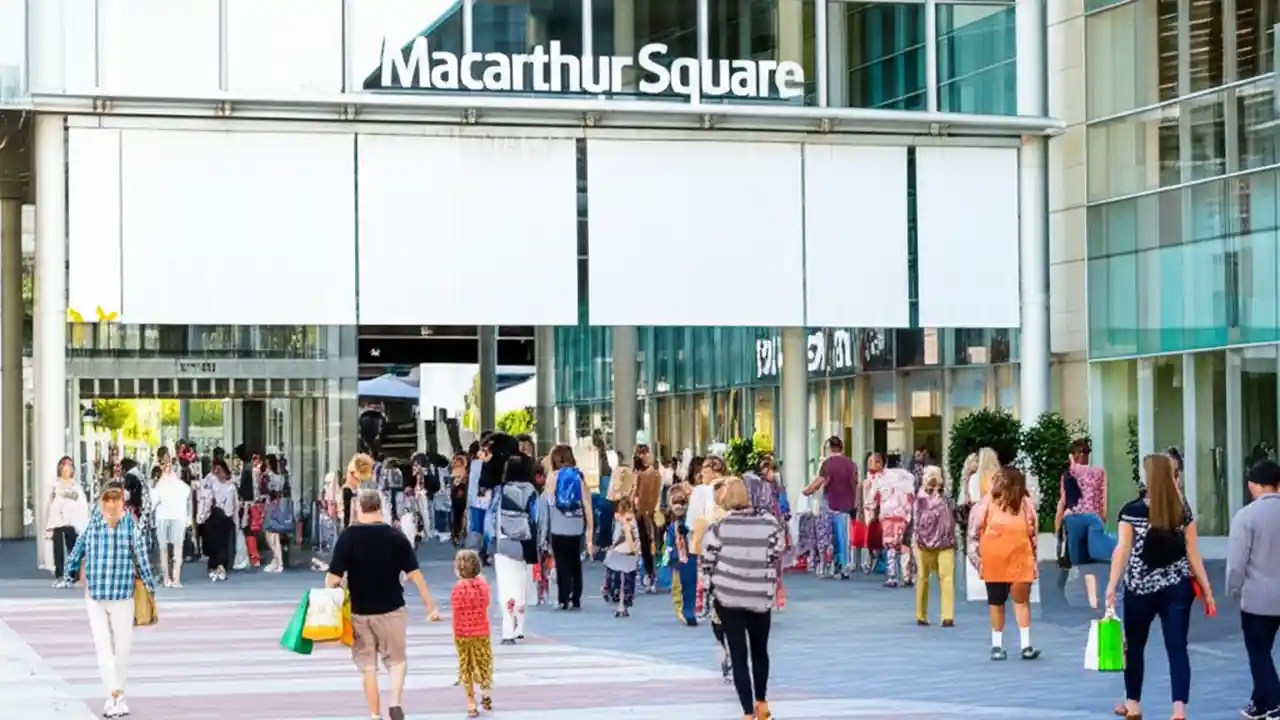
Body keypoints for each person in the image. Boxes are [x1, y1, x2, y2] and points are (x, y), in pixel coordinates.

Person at [1106, 454, 1215, 720]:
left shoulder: (1131, 510)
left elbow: (1122, 549)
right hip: (1177, 589)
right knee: (1177, 647)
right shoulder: (1182, 510)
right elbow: (1193, 553)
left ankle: (1133, 704)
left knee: (1134, 646)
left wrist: (1111, 584)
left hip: (1138, 590)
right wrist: (1207, 591)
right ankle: (1178, 709)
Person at [327, 489, 441, 720]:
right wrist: (429, 604)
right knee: (397, 661)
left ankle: (374, 714)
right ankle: (395, 702)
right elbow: (414, 574)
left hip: (360, 612)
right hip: (392, 609)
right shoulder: (395, 537)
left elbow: (333, 579)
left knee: (368, 666)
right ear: (381, 508)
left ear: (359, 508)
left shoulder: (348, 537)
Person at [63, 484, 158, 719]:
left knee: (123, 647)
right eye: (108, 500)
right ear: (101, 502)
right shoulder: (93, 523)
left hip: (122, 595)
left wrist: (149, 586)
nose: (112, 505)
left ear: (123, 504)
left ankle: (118, 694)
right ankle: (114, 694)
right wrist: (69, 571)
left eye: (117, 500)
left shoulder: (130, 526)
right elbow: (78, 548)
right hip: (95, 595)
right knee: (102, 645)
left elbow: (142, 556)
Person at [698, 477, 784, 720]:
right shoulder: (769, 522)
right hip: (759, 595)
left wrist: (709, 587)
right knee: (760, 651)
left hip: (728, 597)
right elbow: (778, 549)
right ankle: (762, 703)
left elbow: (707, 562)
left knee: (738, 655)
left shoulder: (719, 527)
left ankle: (747, 713)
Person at [968, 466, 1040, 661]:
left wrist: (977, 561)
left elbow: (973, 532)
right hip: (1020, 559)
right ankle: (1025, 644)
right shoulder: (1026, 505)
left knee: (997, 603)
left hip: (994, 561)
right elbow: (1033, 534)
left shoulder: (986, 504)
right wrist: (1033, 560)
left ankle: (997, 646)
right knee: (1021, 602)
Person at [1229, 460, 1280, 720]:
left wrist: (1233, 586)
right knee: (1262, 655)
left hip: (1258, 598)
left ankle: (1275, 701)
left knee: (1259, 653)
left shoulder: (1246, 516)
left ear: (1252, 485)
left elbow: (1237, 561)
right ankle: (1259, 702)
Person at [483, 433, 539, 644]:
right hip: (524, 544)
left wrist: (490, 543)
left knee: (505, 586)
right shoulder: (532, 492)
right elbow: (536, 520)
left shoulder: (501, 491)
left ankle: (507, 629)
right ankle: (520, 626)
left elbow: (491, 519)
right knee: (521, 585)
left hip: (503, 542)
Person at [1055, 439, 1115, 610]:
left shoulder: (1070, 473)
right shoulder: (1099, 473)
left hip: (1073, 518)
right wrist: (1103, 516)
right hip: (1093, 519)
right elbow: (1104, 498)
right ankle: (1093, 600)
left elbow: (1064, 500)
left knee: (1077, 560)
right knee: (1092, 561)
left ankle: (1078, 590)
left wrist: (1058, 524)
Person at [540, 444, 594, 610]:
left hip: (558, 525)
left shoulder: (553, 476)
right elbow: (587, 505)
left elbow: (549, 502)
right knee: (575, 561)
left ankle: (563, 597)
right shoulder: (579, 477)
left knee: (561, 561)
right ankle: (576, 596)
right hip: (576, 525)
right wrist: (590, 531)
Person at [801, 436, 860, 579]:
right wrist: (856, 503)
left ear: (829, 448)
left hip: (830, 505)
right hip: (846, 506)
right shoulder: (851, 464)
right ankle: (843, 566)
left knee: (828, 536)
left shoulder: (827, 464)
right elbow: (856, 484)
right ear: (842, 448)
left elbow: (819, 482)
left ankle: (830, 565)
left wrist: (806, 491)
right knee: (843, 537)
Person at [450, 549, 493, 717]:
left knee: (466, 666)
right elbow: (487, 603)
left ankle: (470, 704)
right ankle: (486, 690)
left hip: (462, 633)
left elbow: (456, 608)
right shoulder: (483, 585)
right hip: (481, 631)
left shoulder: (457, 588)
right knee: (484, 662)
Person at [914, 465, 956, 627]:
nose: (932, 479)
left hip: (945, 542)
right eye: (929, 476)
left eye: (935, 475)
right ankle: (921, 614)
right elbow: (917, 518)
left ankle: (948, 615)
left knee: (946, 578)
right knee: (923, 577)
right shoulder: (921, 497)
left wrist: (940, 490)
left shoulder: (946, 496)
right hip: (925, 543)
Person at [46, 455, 90, 589]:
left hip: (73, 523)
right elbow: (50, 503)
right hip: (58, 521)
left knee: (73, 548)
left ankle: (72, 574)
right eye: (64, 466)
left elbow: (81, 503)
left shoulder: (76, 486)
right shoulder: (55, 485)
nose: (67, 469)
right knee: (58, 549)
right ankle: (60, 574)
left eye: (69, 466)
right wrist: (48, 523)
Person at [964, 447, 1002, 601]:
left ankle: (987, 578)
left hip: (980, 517)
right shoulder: (1000, 477)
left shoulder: (976, 478)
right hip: (998, 516)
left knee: (981, 549)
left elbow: (972, 499)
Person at [152, 452, 192, 588]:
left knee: (164, 549)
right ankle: (176, 579)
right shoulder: (180, 485)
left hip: (163, 517)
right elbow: (187, 498)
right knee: (177, 549)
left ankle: (167, 579)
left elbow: (153, 502)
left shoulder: (160, 484)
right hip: (177, 517)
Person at [872, 463, 917, 588]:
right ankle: (907, 575)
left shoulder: (883, 479)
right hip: (903, 516)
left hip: (887, 515)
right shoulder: (907, 479)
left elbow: (875, 498)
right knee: (904, 545)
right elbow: (911, 498)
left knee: (890, 545)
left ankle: (892, 575)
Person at [666, 483, 698, 626]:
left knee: (690, 584)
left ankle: (689, 612)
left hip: (690, 555)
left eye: (682, 503)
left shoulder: (690, 520)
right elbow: (668, 542)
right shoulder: (670, 523)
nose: (679, 506)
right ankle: (681, 610)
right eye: (675, 503)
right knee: (677, 586)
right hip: (676, 559)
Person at [604, 496, 641, 617]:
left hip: (622, 551)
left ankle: (618, 600)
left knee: (618, 577)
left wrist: (612, 547)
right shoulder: (632, 520)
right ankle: (624, 603)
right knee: (627, 578)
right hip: (629, 552)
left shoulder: (621, 521)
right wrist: (637, 550)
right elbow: (636, 537)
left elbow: (617, 537)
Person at [634, 444, 663, 592]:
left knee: (651, 545)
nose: (644, 456)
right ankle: (649, 574)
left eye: (646, 453)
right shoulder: (642, 474)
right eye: (641, 453)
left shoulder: (653, 474)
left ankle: (651, 575)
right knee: (647, 545)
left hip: (649, 514)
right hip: (642, 514)